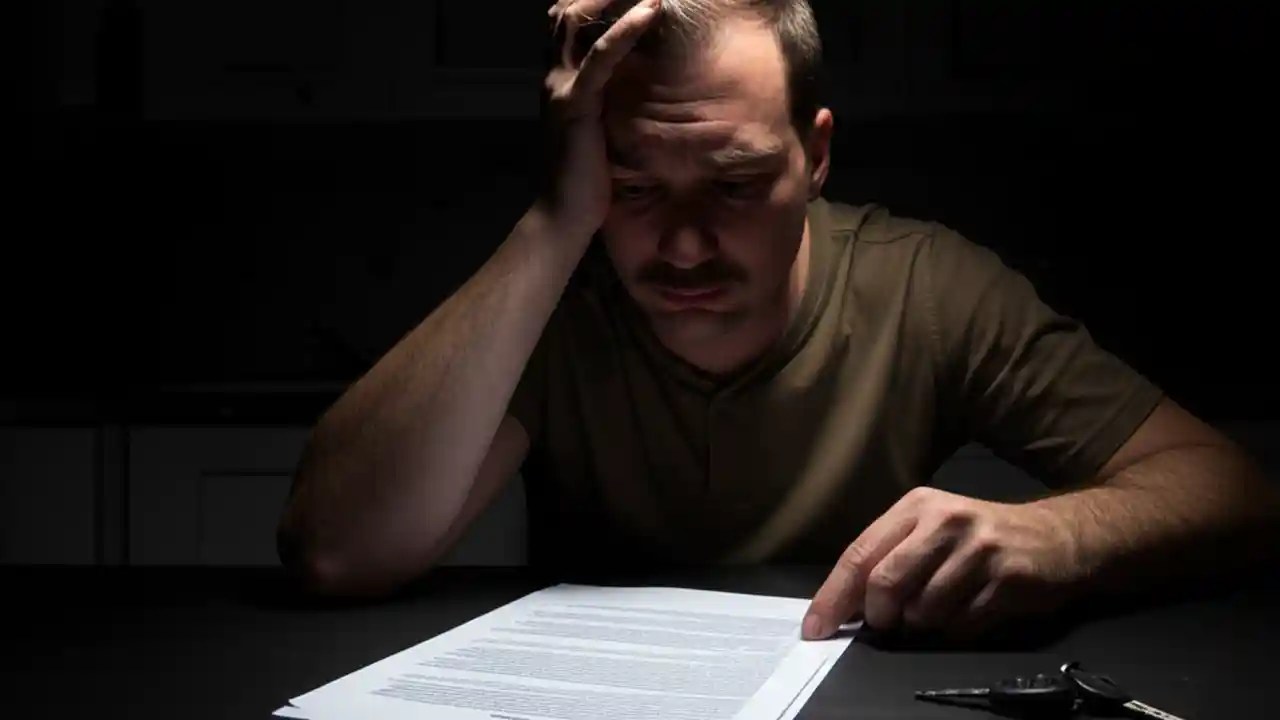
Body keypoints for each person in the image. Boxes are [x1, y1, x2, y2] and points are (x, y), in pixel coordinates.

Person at [276, 0, 1279, 641]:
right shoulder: (556, 298)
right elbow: (336, 552)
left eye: (734, 184)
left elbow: (1234, 493)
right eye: (632, 187)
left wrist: (1063, 536)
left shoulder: (926, 286)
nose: (678, 247)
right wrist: (558, 218)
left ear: (817, 153)